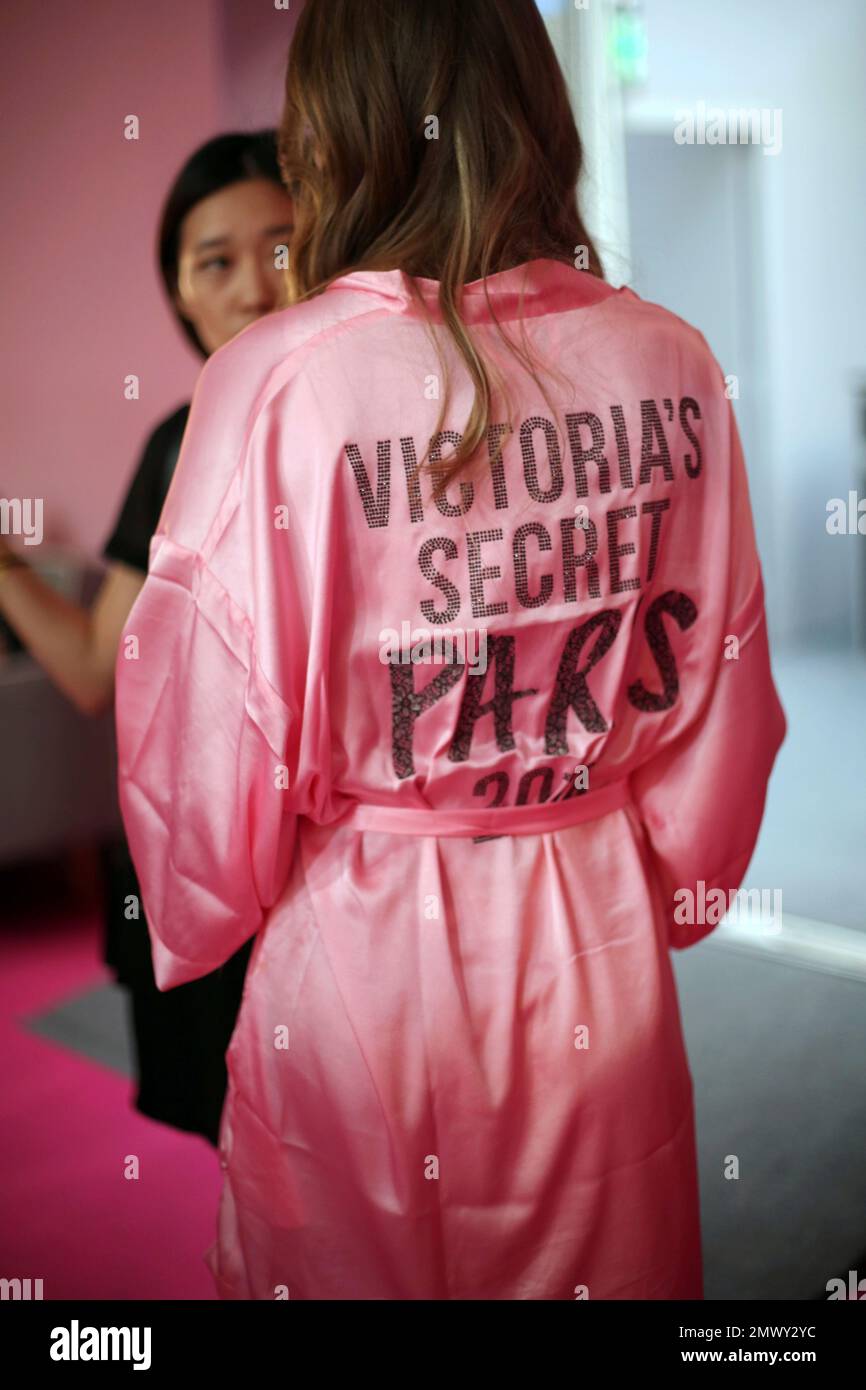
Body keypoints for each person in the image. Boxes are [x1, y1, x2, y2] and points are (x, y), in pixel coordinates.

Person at [114, 0, 786, 1299]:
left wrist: (219, 891)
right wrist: (632, 858)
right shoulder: (669, 363)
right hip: (593, 955)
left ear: (332, 126)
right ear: (531, 103)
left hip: (361, 976)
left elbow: (205, 768)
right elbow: (723, 706)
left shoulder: (276, 382)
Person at [0, 131, 294, 1146]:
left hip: (331, 885)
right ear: (180, 292)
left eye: (284, 245)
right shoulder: (172, 441)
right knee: (241, 1164)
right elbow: (92, 670)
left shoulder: (367, 428)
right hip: (185, 865)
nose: (254, 286)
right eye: (215, 260)